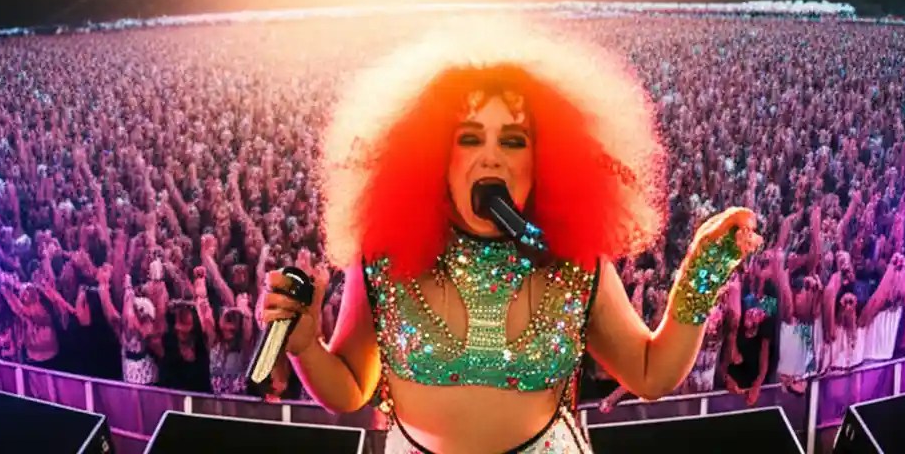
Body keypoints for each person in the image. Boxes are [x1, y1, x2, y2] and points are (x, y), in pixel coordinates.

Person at [261, 24, 761, 453]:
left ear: (542, 160)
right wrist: (307, 346)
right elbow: (351, 389)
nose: (493, 157)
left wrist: (702, 273)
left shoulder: (573, 262)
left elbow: (651, 374)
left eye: (514, 141)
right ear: (437, 154)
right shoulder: (384, 257)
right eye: (470, 138)